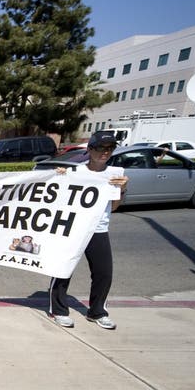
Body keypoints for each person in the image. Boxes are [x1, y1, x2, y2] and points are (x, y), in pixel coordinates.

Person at [47, 130, 129, 330]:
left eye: (110, 149)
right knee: (63, 269)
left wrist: (122, 189)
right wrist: (56, 178)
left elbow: (115, 207)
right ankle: (58, 310)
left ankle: (97, 311)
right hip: (74, 228)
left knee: (104, 273)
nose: (105, 152)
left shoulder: (115, 174)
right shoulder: (75, 172)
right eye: (101, 148)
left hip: (99, 229)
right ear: (90, 149)